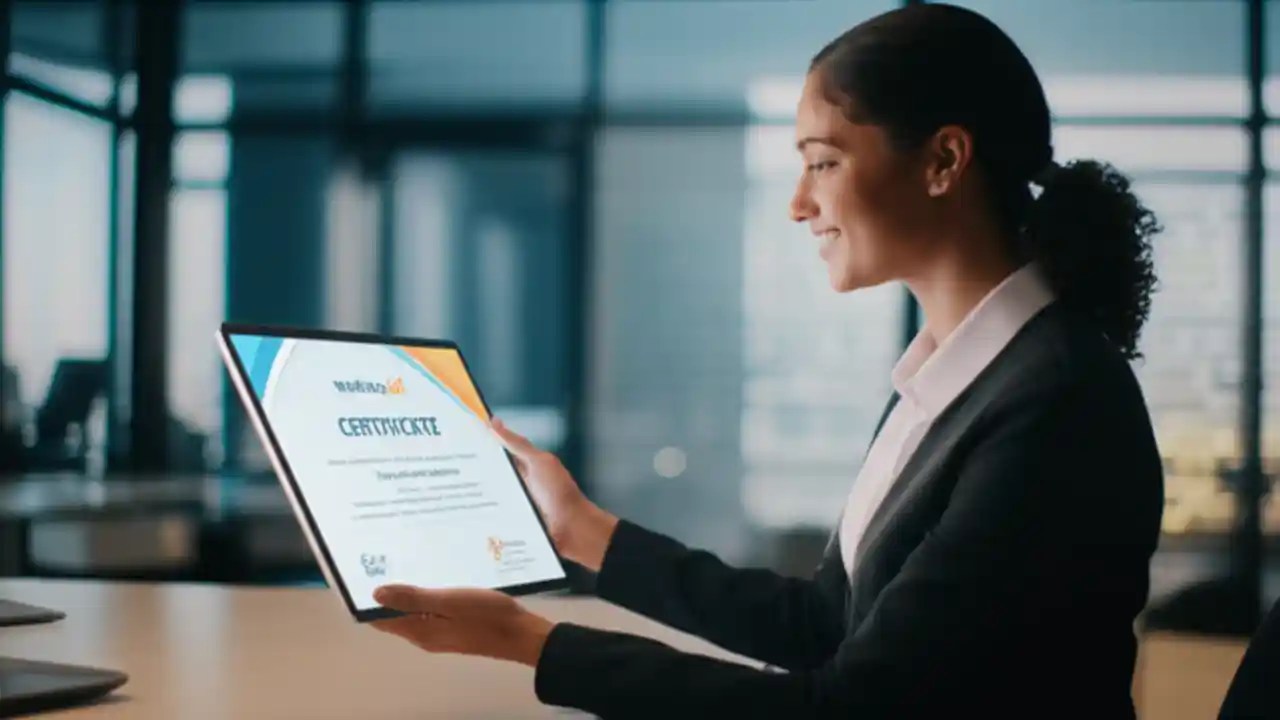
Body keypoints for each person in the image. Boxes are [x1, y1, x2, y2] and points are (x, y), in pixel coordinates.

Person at [370, 4, 1165, 717]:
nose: (798, 202)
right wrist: (586, 532)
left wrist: (534, 644)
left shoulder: (1056, 403)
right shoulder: (948, 381)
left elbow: (853, 706)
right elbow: (826, 625)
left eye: (822, 161)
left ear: (943, 161)